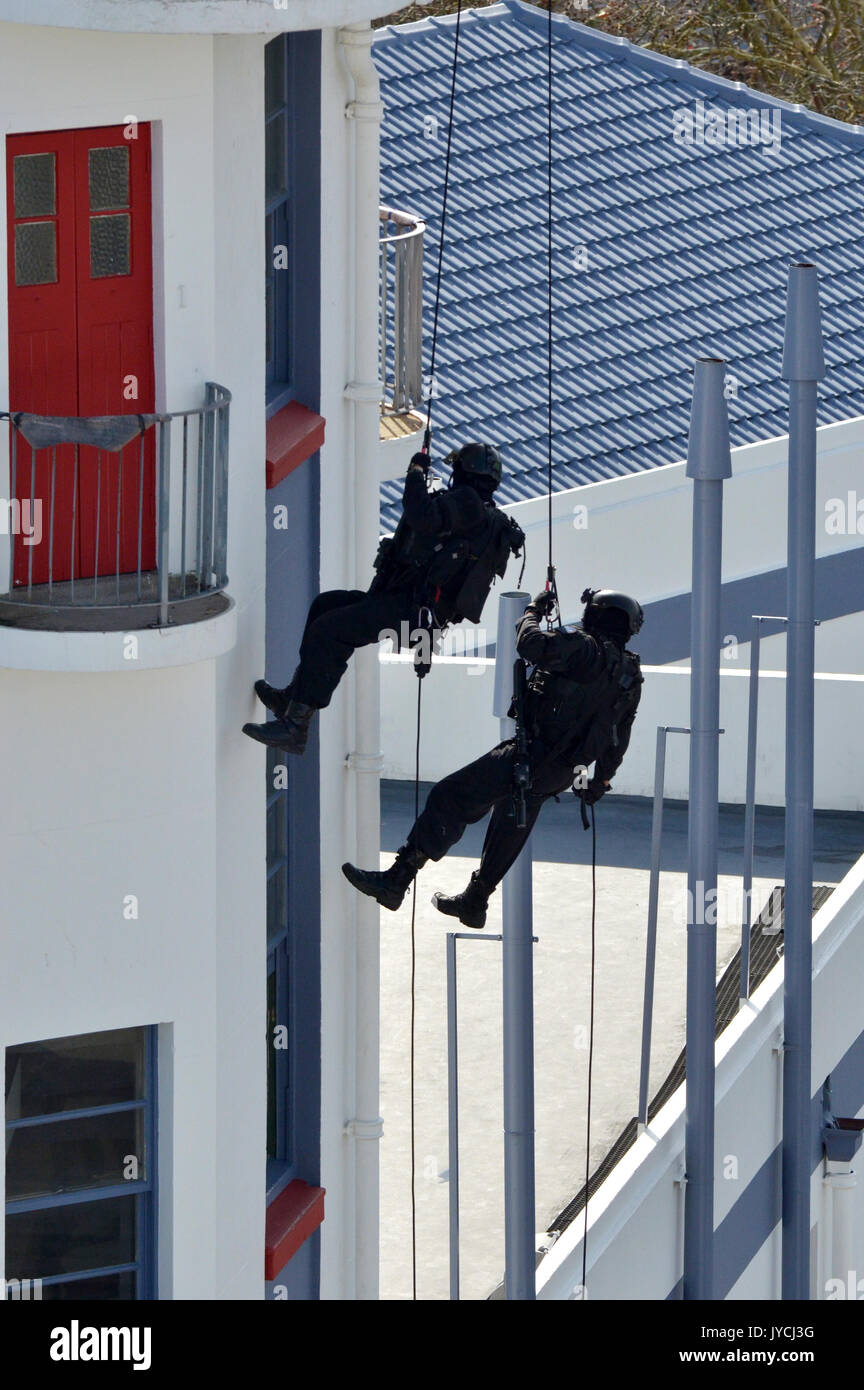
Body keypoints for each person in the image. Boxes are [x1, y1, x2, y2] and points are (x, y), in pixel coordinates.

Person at [342, 587, 644, 928]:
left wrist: (531, 612)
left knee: (450, 797)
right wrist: (600, 781)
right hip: (561, 771)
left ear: (597, 616)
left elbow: (530, 644)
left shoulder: (584, 648)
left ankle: (397, 880)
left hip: (530, 756)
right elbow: (620, 736)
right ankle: (475, 901)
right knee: (510, 822)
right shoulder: (628, 675)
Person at [243, 442, 523, 755]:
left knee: (329, 630)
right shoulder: (478, 511)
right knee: (326, 605)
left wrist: (416, 472)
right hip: (410, 605)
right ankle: (292, 698)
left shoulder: (468, 503)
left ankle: (296, 726)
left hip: (411, 610)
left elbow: (421, 516)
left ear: (464, 472)